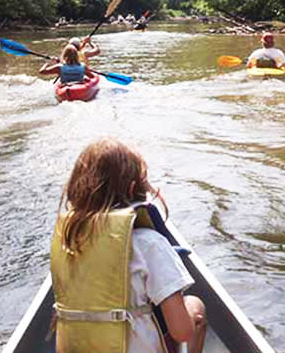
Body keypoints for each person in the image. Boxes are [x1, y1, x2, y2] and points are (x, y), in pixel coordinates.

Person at [50, 138, 207, 353]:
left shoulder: (67, 240)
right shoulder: (150, 244)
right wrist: (189, 313)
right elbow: (182, 332)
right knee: (195, 306)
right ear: (134, 189)